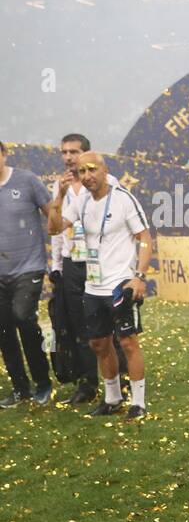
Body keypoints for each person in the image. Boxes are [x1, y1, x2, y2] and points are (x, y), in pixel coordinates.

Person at [49, 153, 152, 419]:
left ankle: (138, 403)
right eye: (82, 171)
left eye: (92, 169)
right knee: (99, 344)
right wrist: (59, 198)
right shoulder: (81, 200)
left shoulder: (123, 199)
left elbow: (144, 237)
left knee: (128, 342)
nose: (87, 176)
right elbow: (54, 228)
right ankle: (112, 398)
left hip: (121, 283)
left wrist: (139, 276)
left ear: (105, 170)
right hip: (93, 286)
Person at [45, 133, 103, 403]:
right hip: (71, 264)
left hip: (99, 262)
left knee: (108, 324)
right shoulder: (58, 188)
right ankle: (87, 384)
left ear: (87, 154)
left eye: (74, 152)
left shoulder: (104, 184)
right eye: (64, 152)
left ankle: (122, 380)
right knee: (77, 327)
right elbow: (56, 231)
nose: (68, 158)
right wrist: (56, 266)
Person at [0, 140, 54, 407]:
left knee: (23, 317)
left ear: (4, 154)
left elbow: (53, 217)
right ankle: (20, 388)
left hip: (29, 267)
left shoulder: (27, 181)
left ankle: (43, 382)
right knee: (3, 329)